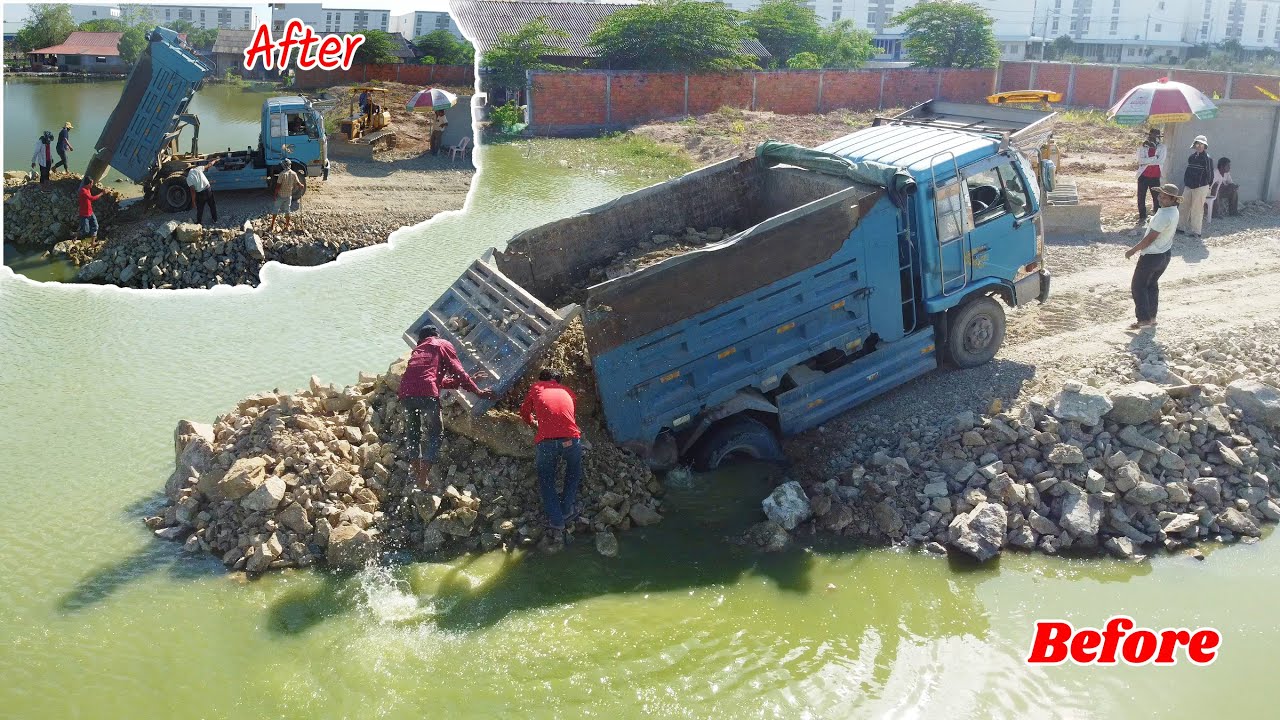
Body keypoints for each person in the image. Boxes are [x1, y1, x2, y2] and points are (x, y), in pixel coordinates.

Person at [398, 324, 493, 488]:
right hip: (427, 393)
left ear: (421, 339)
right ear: (437, 335)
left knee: (413, 433)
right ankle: (422, 478)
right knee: (436, 433)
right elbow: (459, 372)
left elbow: (437, 381)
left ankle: (416, 473)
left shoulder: (418, 351)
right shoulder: (442, 344)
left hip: (405, 393)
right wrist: (477, 391)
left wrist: (468, 380)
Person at [520, 368, 583, 542]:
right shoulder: (566, 391)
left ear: (542, 379)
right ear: (558, 381)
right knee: (574, 472)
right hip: (571, 440)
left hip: (547, 442)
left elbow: (524, 412)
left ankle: (557, 521)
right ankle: (566, 510)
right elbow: (569, 414)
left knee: (546, 479)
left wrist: (532, 422)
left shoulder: (536, 387)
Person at [1125, 183, 1180, 330]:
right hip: (1164, 254)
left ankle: (1143, 319)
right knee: (1151, 285)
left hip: (1152, 256)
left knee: (1138, 286)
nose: (1160, 198)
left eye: (1164, 197)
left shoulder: (1164, 216)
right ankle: (1152, 318)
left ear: (1173, 199)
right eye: (1160, 195)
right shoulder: (1173, 212)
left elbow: (1150, 238)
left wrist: (1133, 250)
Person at [1178, 135, 1213, 238]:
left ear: (1205, 146)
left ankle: (1196, 232)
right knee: (1183, 207)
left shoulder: (1207, 159)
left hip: (1201, 186)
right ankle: (1180, 227)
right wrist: (1186, 182)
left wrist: (1208, 187)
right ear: (1194, 145)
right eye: (1197, 144)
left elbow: (1210, 174)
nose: (1199, 146)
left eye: (1201, 144)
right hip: (1189, 186)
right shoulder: (1192, 157)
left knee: (1197, 209)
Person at [1136, 127, 1165, 223]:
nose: (1153, 138)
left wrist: (1148, 161)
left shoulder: (1162, 147)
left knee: (1157, 197)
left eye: (1155, 137)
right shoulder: (1143, 147)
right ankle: (1142, 216)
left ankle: (1157, 216)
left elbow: (1160, 161)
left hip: (1155, 176)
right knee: (1141, 197)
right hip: (1143, 175)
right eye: (1151, 136)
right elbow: (1140, 160)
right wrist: (1154, 158)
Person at [185, 157, 220, 226]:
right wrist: (215, 160)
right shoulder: (197, 169)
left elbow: (192, 191)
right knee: (212, 205)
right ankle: (215, 220)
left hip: (200, 193)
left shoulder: (188, 178)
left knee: (200, 208)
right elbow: (209, 165)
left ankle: (199, 222)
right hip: (208, 189)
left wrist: (193, 201)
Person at [269, 161, 301, 233]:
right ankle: (286, 226)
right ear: (290, 165)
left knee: (275, 209)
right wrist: (301, 186)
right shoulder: (294, 174)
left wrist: (275, 195)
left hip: (280, 195)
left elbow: (278, 186)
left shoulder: (282, 174)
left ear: (283, 166)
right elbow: (298, 183)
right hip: (289, 195)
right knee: (287, 210)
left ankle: (272, 225)